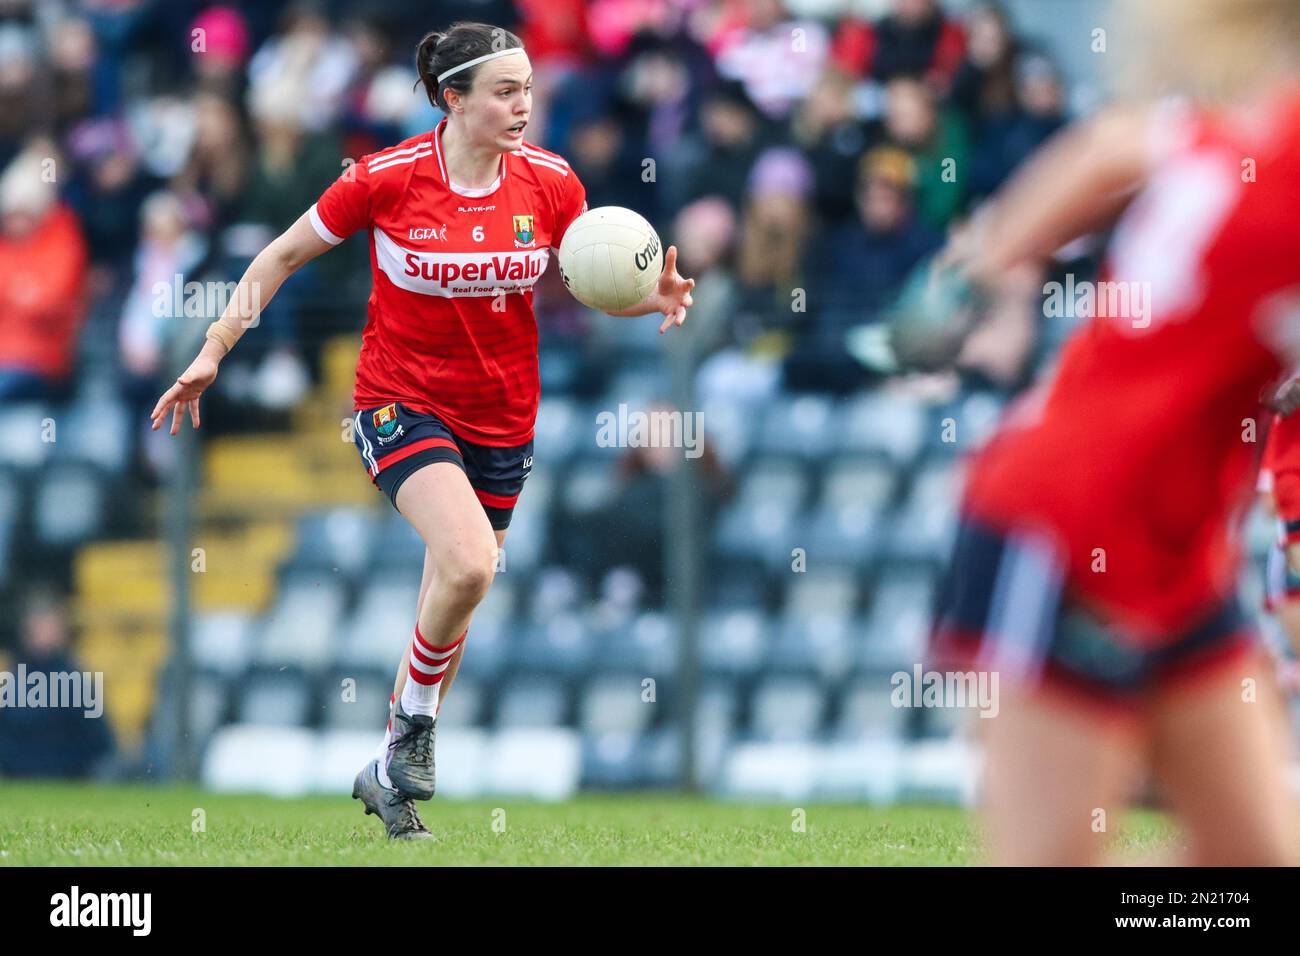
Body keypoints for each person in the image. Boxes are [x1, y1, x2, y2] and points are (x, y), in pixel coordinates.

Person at [151, 21, 694, 840]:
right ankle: (414, 729)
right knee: (471, 561)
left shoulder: (550, 183)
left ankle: (385, 767)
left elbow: (590, 271)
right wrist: (214, 347)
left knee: (460, 586)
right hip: (396, 401)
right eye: (505, 91)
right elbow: (278, 257)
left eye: (529, 89)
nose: (524, 106)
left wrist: (645, 294)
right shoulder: (385, 178)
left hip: (505, 416)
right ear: (454, 98)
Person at [929, 0, 1300, 865]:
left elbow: (1112, 150)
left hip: (1178, 558)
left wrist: (970, 274)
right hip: (1066, 534)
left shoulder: (1261, 128)